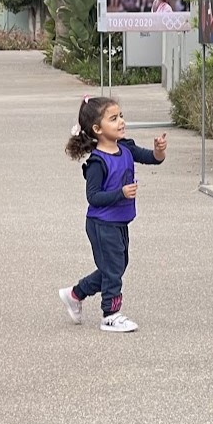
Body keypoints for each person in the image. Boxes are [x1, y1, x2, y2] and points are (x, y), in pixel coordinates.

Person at [60, 96, 167, 332]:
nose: (121, 121)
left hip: (119, 222)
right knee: (113, 269)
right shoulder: (98, 162)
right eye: (113, 118)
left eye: (121, 116)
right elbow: (94, 197)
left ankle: (75, 294)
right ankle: (110, 314)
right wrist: (120, 193)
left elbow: (152, 159)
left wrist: (159, 151)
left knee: (115, 267)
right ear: (97, 129)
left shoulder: (126, 147)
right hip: (101, 224)